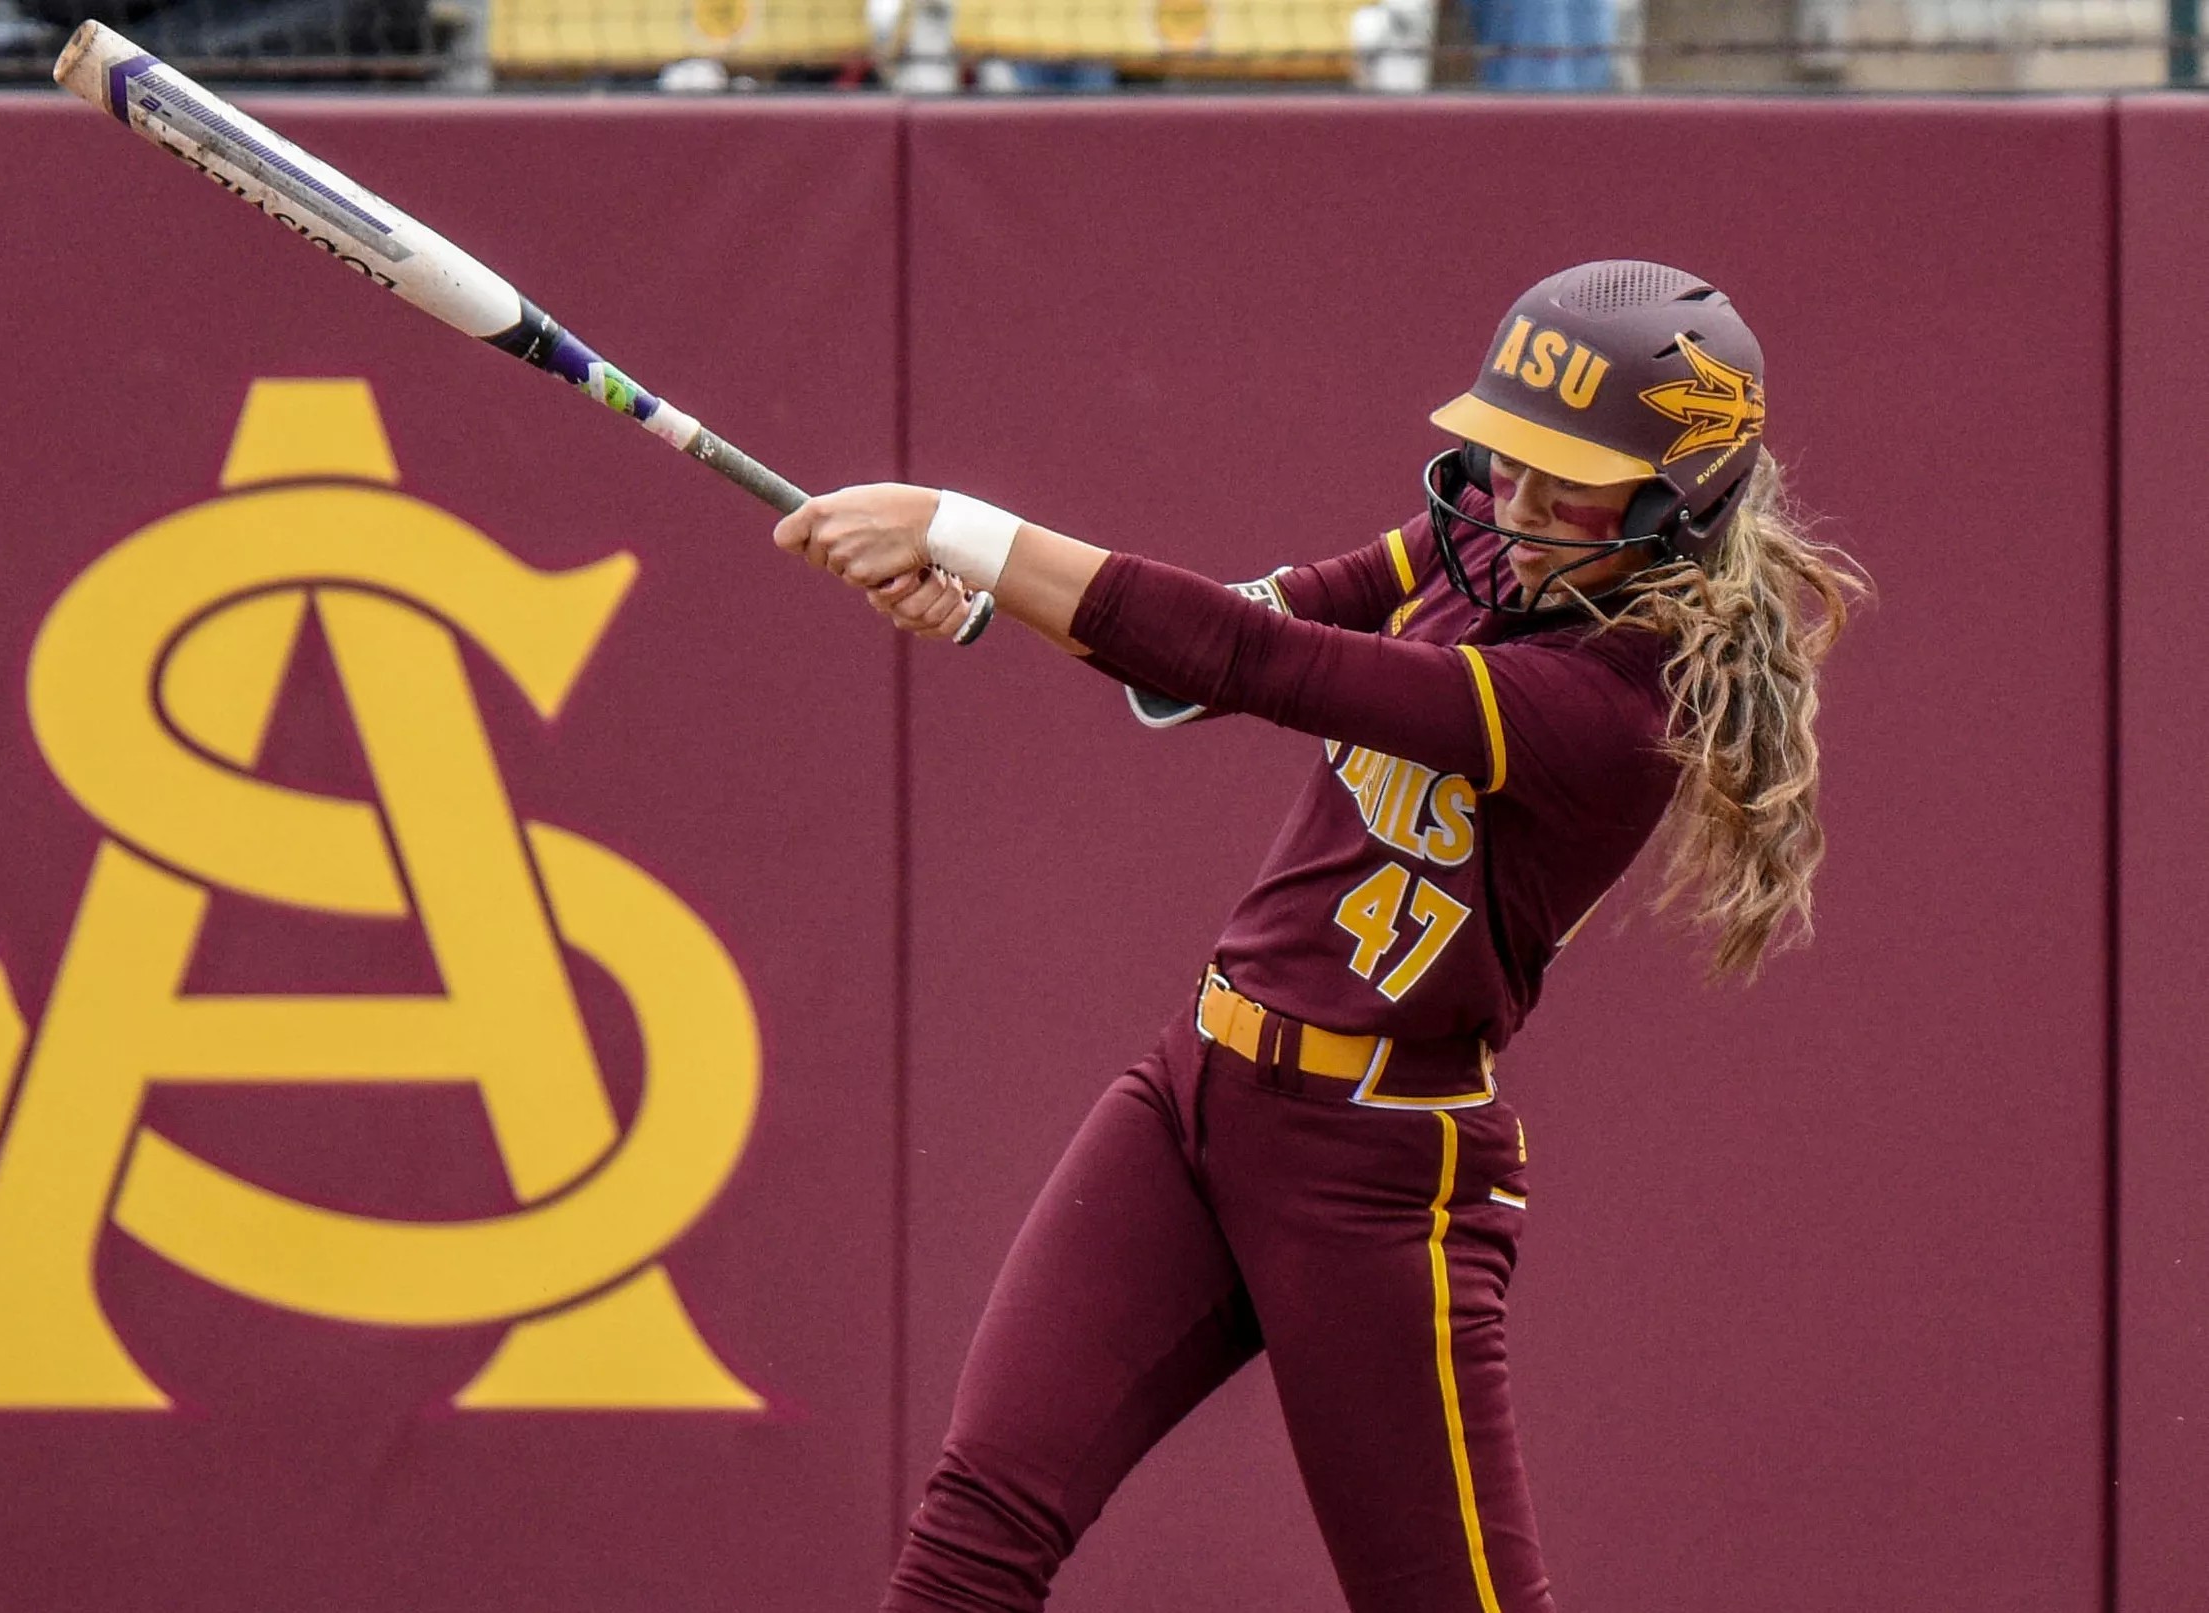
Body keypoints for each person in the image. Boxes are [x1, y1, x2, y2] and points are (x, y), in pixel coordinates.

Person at [774, 260, 1864, 1613]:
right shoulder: (1481, 542)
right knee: (976, 1528)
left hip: (1375, 1175)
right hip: (1194, 1094)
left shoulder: (1611, 708)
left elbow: (1265, 667)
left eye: (1565, 480)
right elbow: (1209, 646)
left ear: (1671, 504)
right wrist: (982, 585)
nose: (1515, 502)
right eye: (1507, 457)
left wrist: (957, 521)